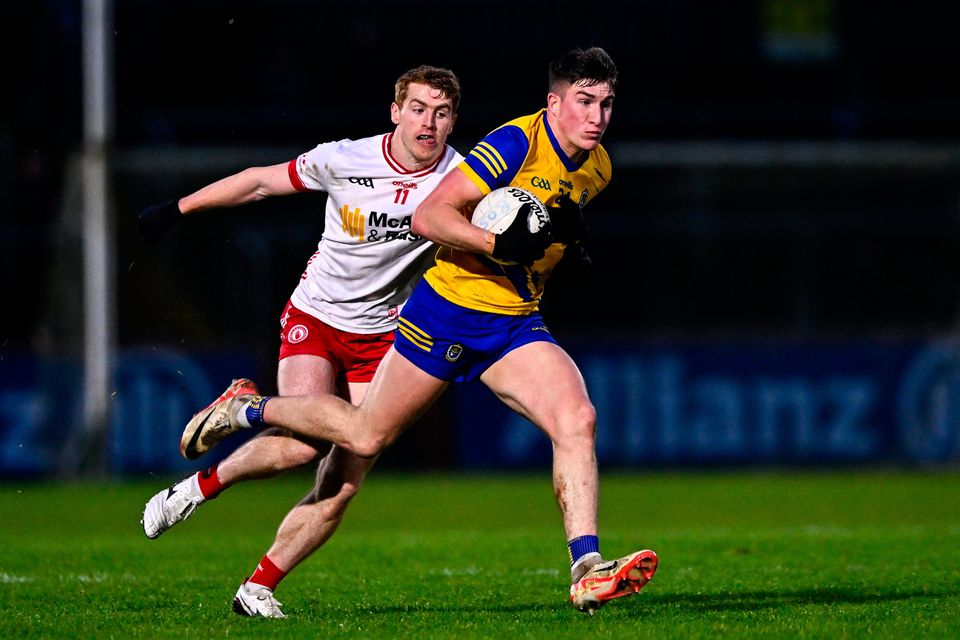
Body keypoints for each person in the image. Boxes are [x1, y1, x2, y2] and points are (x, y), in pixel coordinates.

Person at [180, 47, 658, 615]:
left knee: (577, 419)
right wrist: (499, 243)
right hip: (446, 313)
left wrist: (559, 244)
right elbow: (431, 216)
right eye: (583, 102)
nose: (597, 116)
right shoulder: (514, 143)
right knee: (362, 439)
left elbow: (539, 227)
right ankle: (249, 410)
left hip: (513, 321)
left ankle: (586, 568)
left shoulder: (598, 166)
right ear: (553, 103)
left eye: (606, 103)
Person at [138, 65, 464, 619]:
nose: (428, 123)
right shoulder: (345, 158)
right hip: (316, 317)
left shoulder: (461, 176)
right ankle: (218, 457)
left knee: (346, 477)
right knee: (304, 444)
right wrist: (179, 209)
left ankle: (255, 584)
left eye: (440, 112)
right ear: (395, 112)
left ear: (453, 119)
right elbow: (262, 180)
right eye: (417, 108)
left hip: (386, 336)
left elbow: (506, 218)